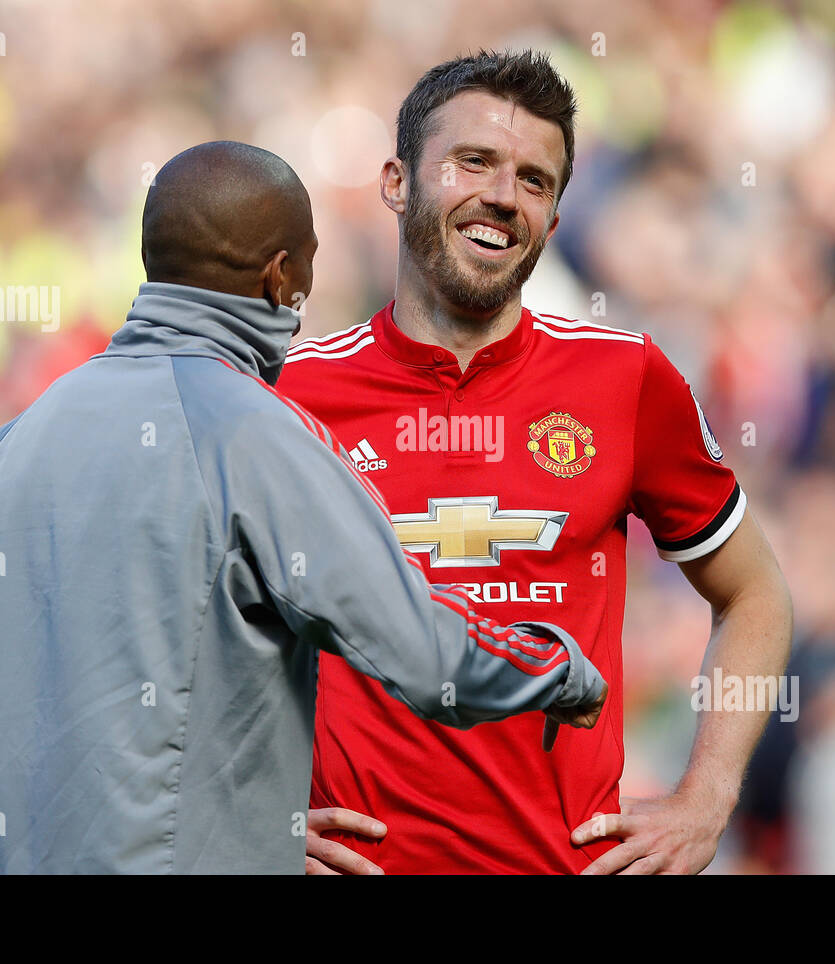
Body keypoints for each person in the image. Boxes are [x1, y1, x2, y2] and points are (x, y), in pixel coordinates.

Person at [0, 141, 606, 875]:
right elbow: (423, 651)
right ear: (281, 275)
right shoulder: (257, 434)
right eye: (310, 266)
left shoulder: (13, 443)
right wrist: (563, 670)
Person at [278, 51, 794, 875]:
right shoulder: (291, 394)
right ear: (396, 181)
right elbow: (185, 627)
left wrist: (705, 801)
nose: (501, 196)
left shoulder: (625, 379)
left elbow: (756, 593)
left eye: (534, 179)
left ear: (553, 221)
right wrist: (243, 816)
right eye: (472, 161)